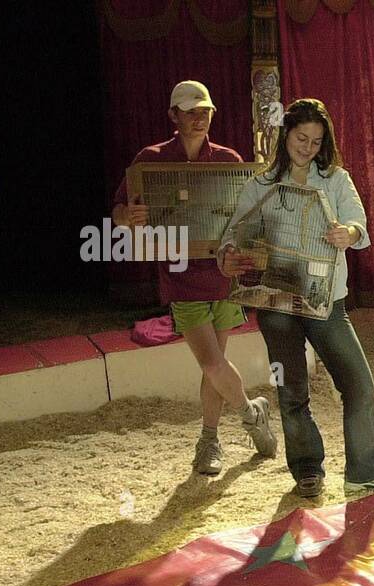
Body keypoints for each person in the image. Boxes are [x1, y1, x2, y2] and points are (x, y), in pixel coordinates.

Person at [218, 98, 374, 499]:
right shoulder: (261, 185)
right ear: (285, 136)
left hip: (326, 301)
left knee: (358, 384)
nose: (307, 147)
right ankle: (306, 470)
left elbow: (358, 222)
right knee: (291, 387)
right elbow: (236, 233)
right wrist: (230, 256)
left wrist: (348, 234)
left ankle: (366, 470)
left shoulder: (336, 179)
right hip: (276, 302)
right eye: (301, 138)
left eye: (316, 142)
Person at [111, 80, 277, 475]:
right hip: (181, 276)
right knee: (212, 363)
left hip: (222, 274)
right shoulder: (150, 160)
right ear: (173, 115)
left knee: (213, 366)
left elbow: (244, 218)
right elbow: (119, 210)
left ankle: (209, 441)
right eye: (190, 111)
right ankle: (252, 413)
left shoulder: (228, 159)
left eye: (204, 111)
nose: (199, 118)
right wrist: (127, 218)